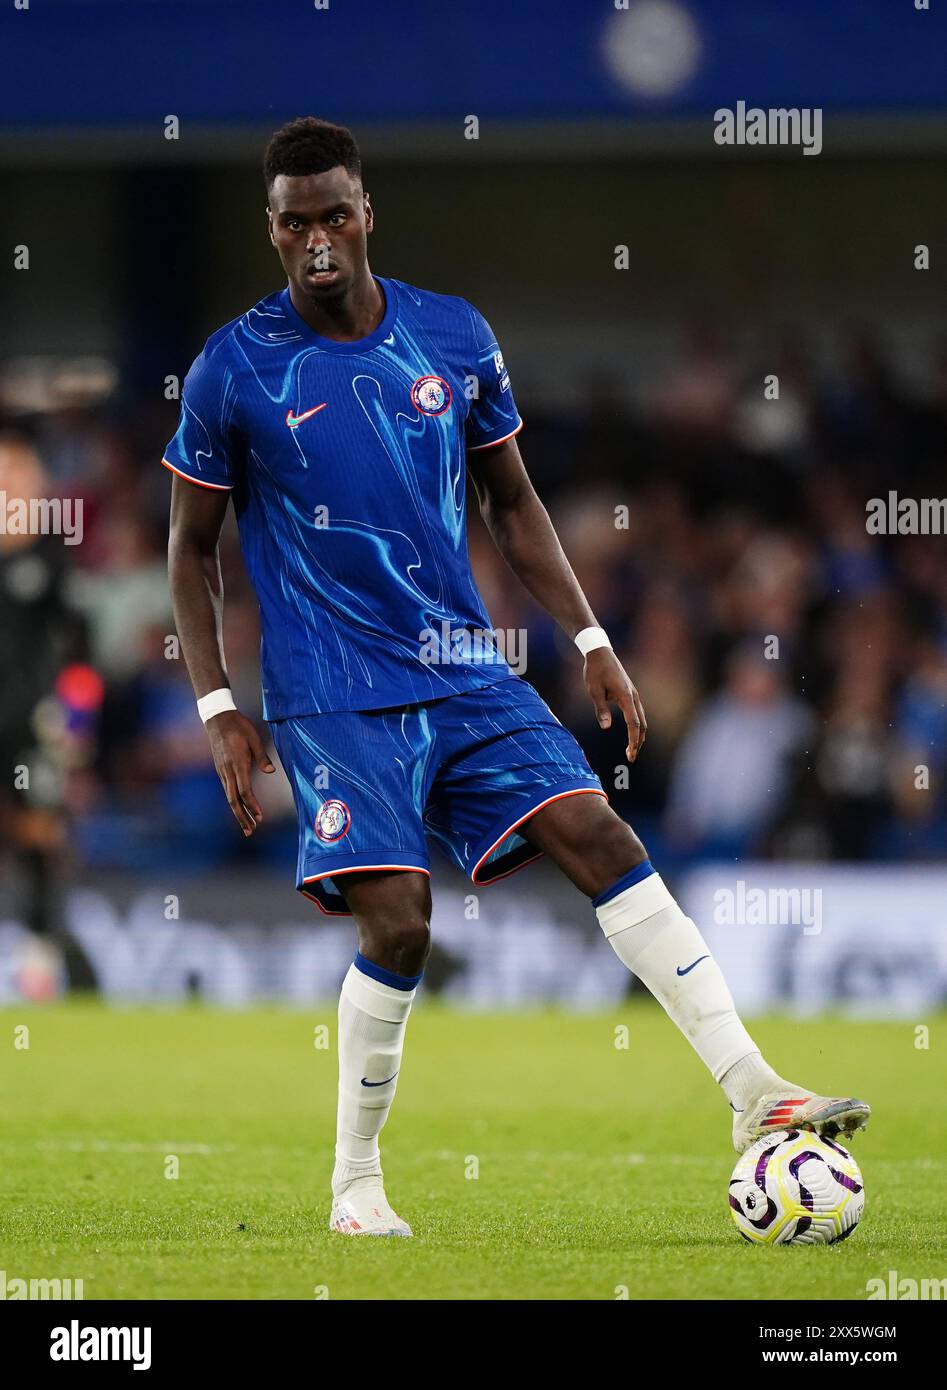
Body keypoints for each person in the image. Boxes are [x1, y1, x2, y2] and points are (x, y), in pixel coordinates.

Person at [164, 118, 868, 1238]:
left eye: (335, 214)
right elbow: (190, 548)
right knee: (399, 925)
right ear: (272, 229)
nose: (318, 240)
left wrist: (588, 638)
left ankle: (751, 1090)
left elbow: (514, 501)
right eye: (295, 223)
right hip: (334, 689)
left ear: (366, 211)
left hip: (462, 665)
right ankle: (355, 1185)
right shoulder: (231, 367)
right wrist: (216, 706)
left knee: (601, 834)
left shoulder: (452, 335)